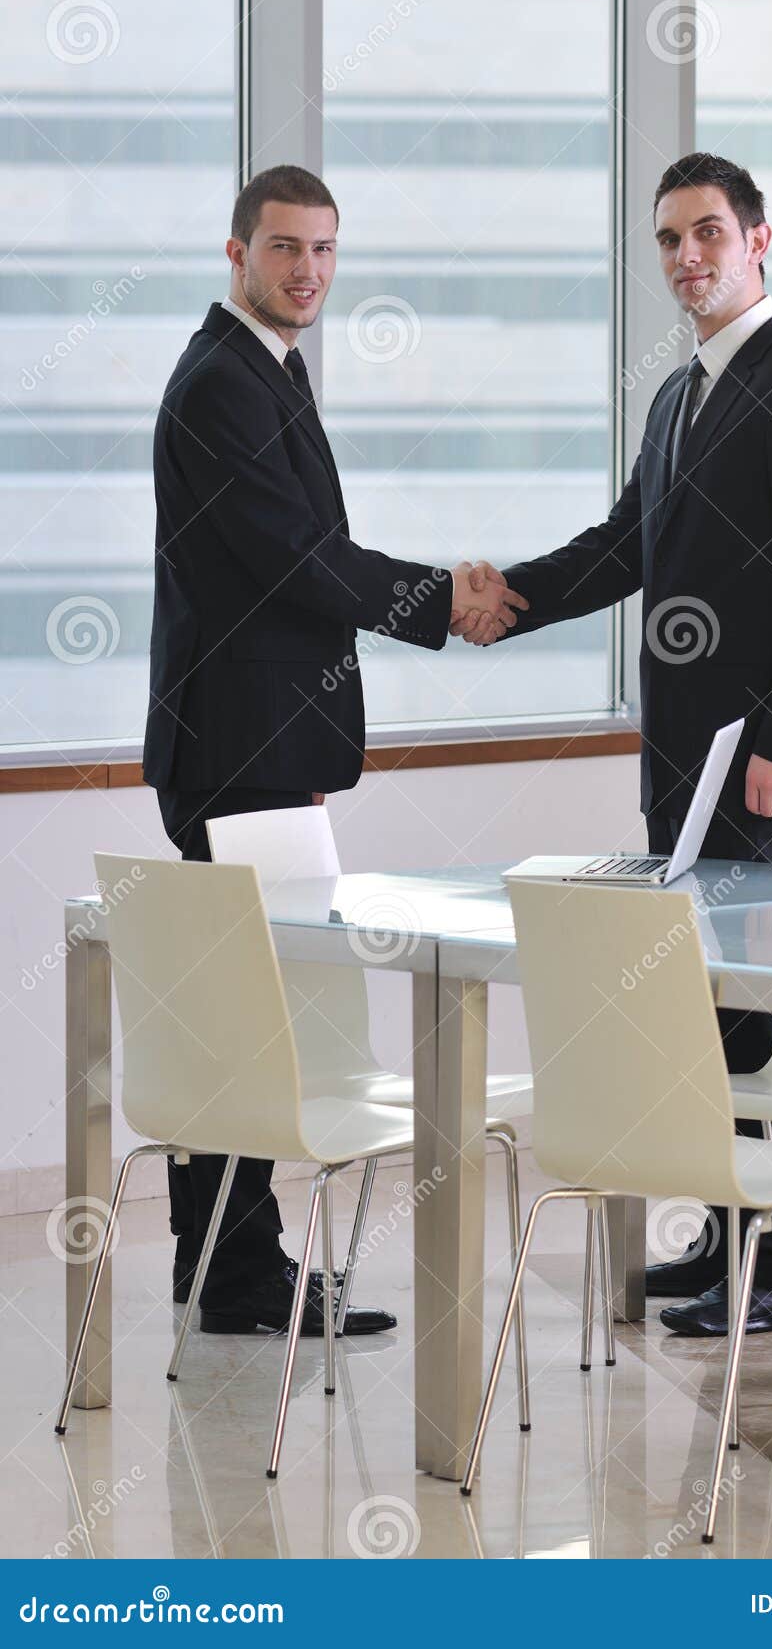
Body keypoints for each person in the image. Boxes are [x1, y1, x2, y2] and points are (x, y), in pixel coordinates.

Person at [453, 152, 772, 1337]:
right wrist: (499, 602)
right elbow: (621, 546)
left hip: (762, 765)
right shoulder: (678, 395)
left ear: (756, 240)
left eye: (707, 233)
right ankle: (731, 1233)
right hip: (682, 765)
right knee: (712, 1011)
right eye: (667, 239)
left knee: (768, 1005)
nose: (686, 256)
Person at [143, 163, 526, 1338]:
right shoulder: (222, 382)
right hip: (235, 748)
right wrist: (442, 598)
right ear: (236, 253)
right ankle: (238, 1276)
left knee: (242, 1012)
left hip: (257, 741)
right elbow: (295, 561)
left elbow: (298, 559)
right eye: (283, 248)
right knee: (247, 1020)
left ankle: (223, 1267)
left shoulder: (264, 368)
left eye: (322, 250)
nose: (306, 271)